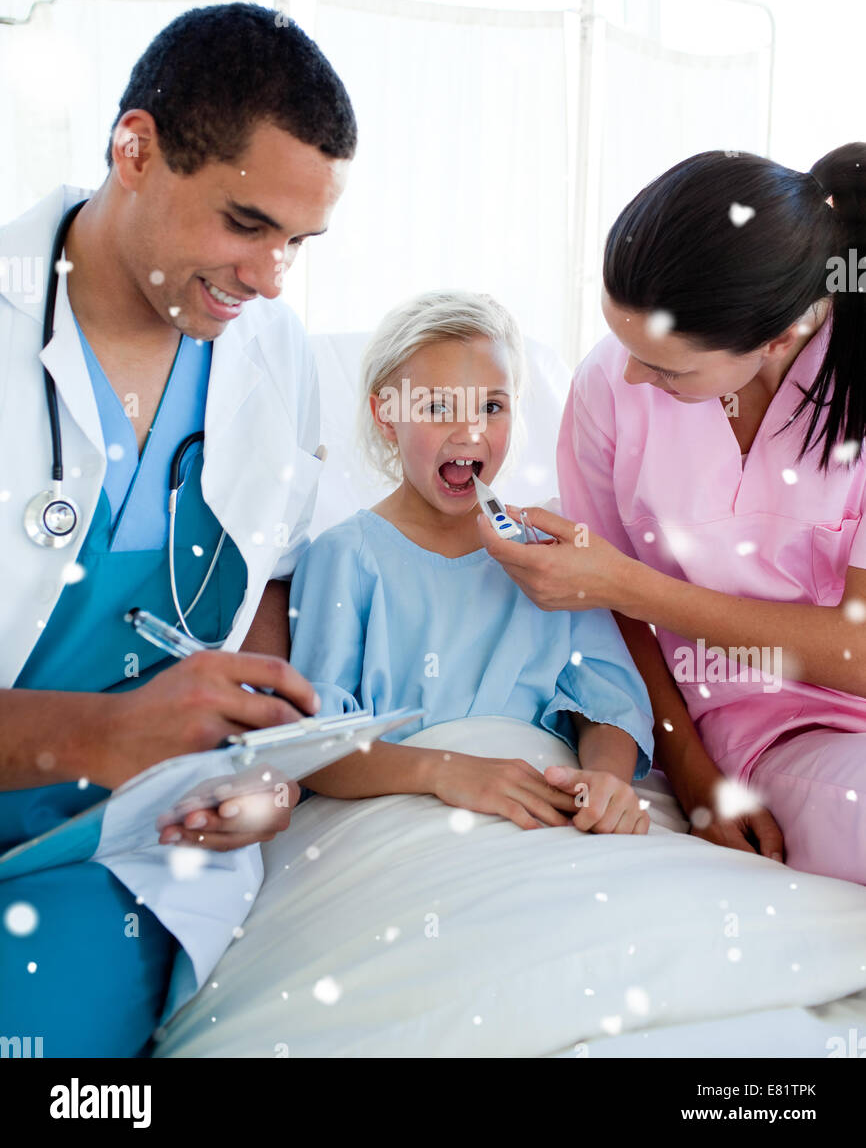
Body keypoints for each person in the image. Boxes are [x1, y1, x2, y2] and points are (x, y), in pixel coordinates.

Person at [0, 2, 357, 1055]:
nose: (267, 276)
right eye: (245, 225)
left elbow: (273, 577)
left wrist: (260, 764)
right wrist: (100, 734)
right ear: (136, 149)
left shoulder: (272, 353)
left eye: (296, 242)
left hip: (105, 848)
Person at [478, 147, 866, 886]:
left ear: (778, 336)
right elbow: (616, 620)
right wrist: (691, 775)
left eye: (667, 368)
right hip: (779, 733)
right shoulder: (608, 387)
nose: (629, 374)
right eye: (622, 344)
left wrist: (628, 583)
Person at [287, 291, 654, 831]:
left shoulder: (551, 556)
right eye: (437, 407)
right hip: (406, 813)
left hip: (549, 810)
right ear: (386, 416)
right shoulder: (347, 557)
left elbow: (609, 703)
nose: (471, 432)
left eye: (492, 406)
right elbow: (317, 750)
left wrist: (605, 780)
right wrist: (448, 771)